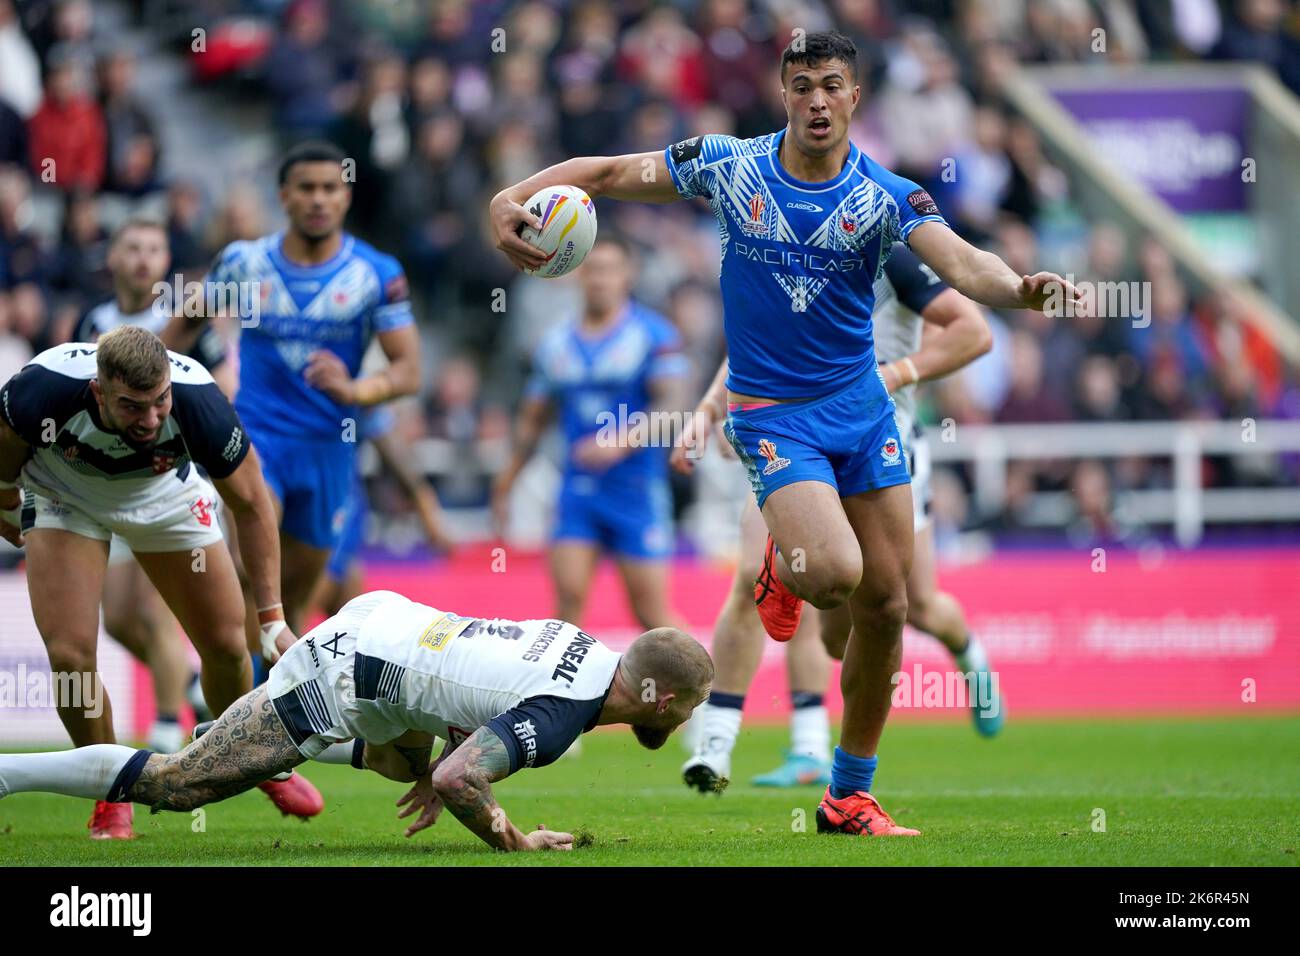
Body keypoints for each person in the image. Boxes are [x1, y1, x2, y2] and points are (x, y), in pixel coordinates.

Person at [490, 31, 1080, 836]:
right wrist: (511, 196)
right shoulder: (730, 167)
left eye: (832, 85)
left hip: (863, 410)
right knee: (834, 576)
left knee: (885, 606)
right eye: (802, 85)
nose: (816, 101)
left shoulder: (885, 196)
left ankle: (848, 796)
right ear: (783, 92)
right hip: (772, 416)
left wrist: (1020, 287)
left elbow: (965, 266)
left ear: (855, 97)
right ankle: (783, 560)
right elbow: (605, 174)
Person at [0, 589, 715, 853]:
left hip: (395, 622)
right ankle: (8, 776)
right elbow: (466, 775)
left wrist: (437, 769)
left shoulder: (585, 648)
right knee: (177, 787)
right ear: (656, 698)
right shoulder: (565, 718)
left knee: (395, 765)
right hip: (351, 670)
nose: (685, 722)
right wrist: (516, 841)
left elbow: (488, 693)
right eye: (687, 708)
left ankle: (240, 742)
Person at [675, 245, 1002, 793]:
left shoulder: (894, 257)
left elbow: (974, 332)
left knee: (902, 609)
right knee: (759, 587)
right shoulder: (781, 253)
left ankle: (969, 653)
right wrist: (710, 410)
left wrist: (894, 374)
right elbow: (755, 345)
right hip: (794, 440)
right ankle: (724, 745)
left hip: (883, 447)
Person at [0, 326, 319, 839]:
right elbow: (4, 447)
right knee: (69, 657)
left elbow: (253, 504)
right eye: (131, 406)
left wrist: (271, 619)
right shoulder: (42, 388)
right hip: (65, 498)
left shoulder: (199, 402)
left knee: (224, 646)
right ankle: (109, 793)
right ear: (98, 392)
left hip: (166, 501)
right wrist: (4, 497)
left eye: (159, 402)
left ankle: (255, 758)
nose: (150, 419)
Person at [163, 141, 422, 658]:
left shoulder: (376, 274)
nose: (318, 199)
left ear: (346, 197)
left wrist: (355, 390)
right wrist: (152, 379)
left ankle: (271, 720)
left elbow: (408, 371)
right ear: (284, 195)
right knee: (251, 580)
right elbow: (188, 321)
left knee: (292, 608)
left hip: (329, 451)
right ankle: (230, 716)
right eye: (306, 188)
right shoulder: (244, 264)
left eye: (330, 188)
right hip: (256, 439)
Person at [76, 218, 231, 753]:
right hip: (107, 484)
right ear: (113, 257)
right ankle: (191, 686)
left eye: (154, 248)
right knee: (118, 620)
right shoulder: (94, 320)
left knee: (153, 611)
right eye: (133, 247)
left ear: (166, 261)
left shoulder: (184, 321)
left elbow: (221, 392)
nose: (144, 258)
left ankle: (167, 734)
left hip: (171, 483)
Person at [493, 236, 688, 632]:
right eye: (592, 270)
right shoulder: (555, 344)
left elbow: (674, 407)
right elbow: (534, 418)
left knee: (649, 612)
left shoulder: (654, 335)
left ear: (627, 275)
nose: (600, 280)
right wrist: (507, 480)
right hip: (577, 491)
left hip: (636, 490)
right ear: (577, 275)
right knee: (567, 605)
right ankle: (563, 693)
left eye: (610, 270)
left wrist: (620, 442)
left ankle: (699, 689)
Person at [310, 405, 453, 617]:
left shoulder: (359, 386)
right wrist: (426, 508)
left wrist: (425, 505)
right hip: (315, 501)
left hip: (336, 507)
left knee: (345, 593)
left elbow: (387, 441)